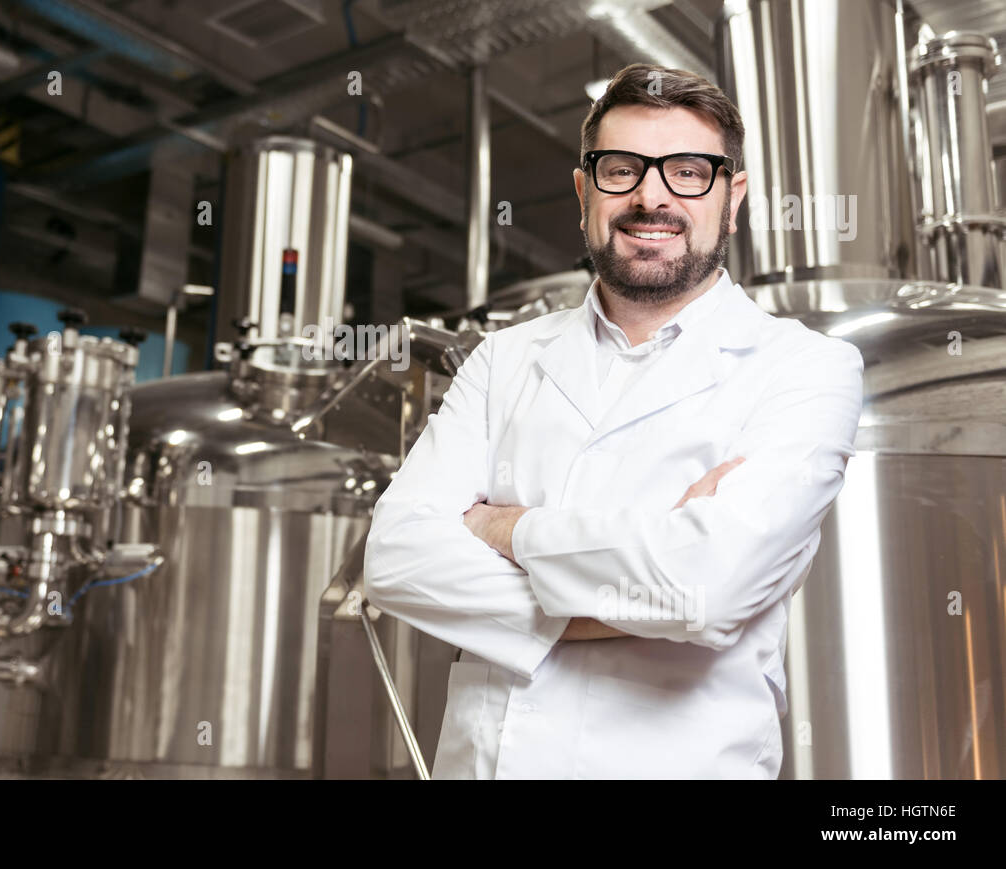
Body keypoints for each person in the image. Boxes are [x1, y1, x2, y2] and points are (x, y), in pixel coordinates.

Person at [363, 63, 864, 779]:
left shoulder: (805, 368)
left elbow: (708, 583)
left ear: (733, 197)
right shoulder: (503, 359)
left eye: (688, 171)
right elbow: (395, 558)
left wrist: (504, 529)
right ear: (583, 192)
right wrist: (641, 591)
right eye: (621, 169)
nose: (650, 196)